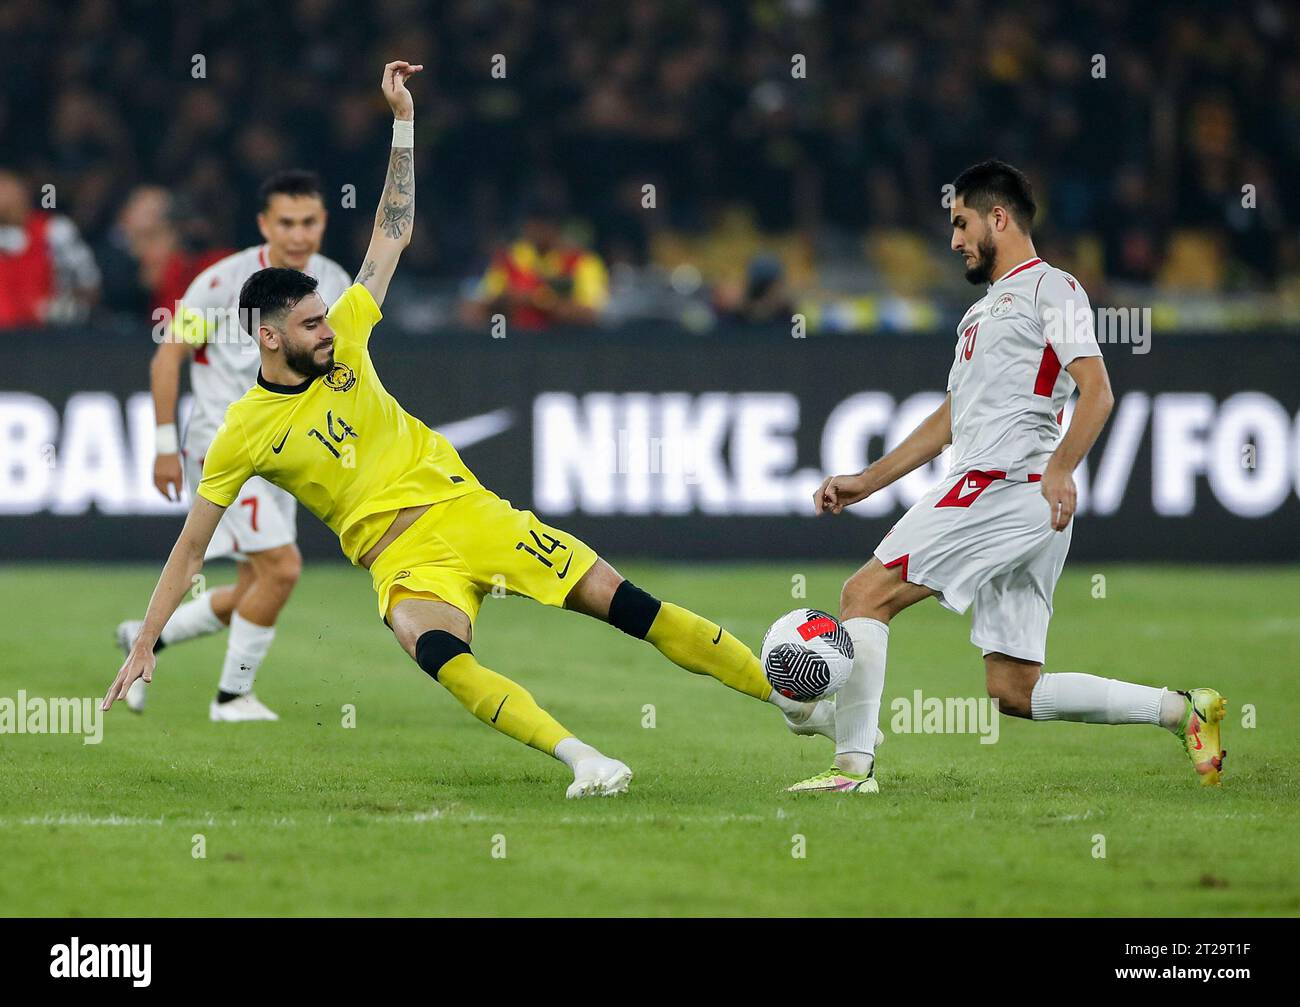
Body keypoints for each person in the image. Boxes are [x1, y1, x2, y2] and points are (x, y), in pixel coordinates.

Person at [104, 61, 823, 798]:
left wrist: (403, 122)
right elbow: (191, 544)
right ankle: (584, 758)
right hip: (402, 562)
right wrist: (149, 641)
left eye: (326, 318)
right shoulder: (242, 432)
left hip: (470, 512)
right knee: (438, 651)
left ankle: (791, 701)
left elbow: (393, 230)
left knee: (626, 603)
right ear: (267, 337)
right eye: (311, 324)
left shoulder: (348, 331)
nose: (328, 330)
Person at [788, 160, 1226, 793]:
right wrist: (868, 480)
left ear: (999, 218)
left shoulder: (1054, 289)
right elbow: (949, 419)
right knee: (1013, 689)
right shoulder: (978, 316)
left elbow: (1097, 391)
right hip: (1017, 498)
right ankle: (1184, 710)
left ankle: (852, 769)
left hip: (1006, 486)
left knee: (864, 596)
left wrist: (1060, 469)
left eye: (961, 222)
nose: (954, 239)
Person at [114, 169, 350, 720]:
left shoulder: (334, 281)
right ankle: (231, 696)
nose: (298, 234)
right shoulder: (223, 282)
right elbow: (169, 355)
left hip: (286, 451)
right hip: (225, 445)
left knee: (255, 582)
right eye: (286, 222)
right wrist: (165, 444)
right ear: (265, 223)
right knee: (283, 568)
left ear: (323, 222)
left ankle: (145, 636)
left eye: (309, 221)